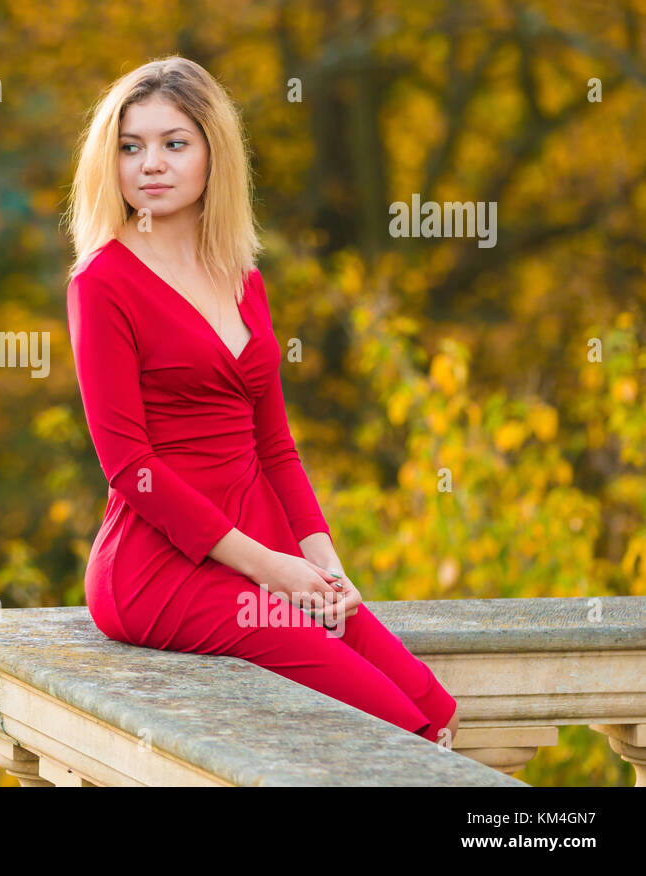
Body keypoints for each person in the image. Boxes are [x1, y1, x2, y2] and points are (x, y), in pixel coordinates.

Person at [62, 56, 459, 746]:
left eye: (173, 143)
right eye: (131, 147)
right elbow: (130, 465)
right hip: (160, 568)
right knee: (391, 725)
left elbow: (274, 443)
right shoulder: (102, 283)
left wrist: (324, 562)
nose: (149, 164)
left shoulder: (242, 276)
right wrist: (270, 569)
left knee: (431, 704)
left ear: (214, 153)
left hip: (263, 541)